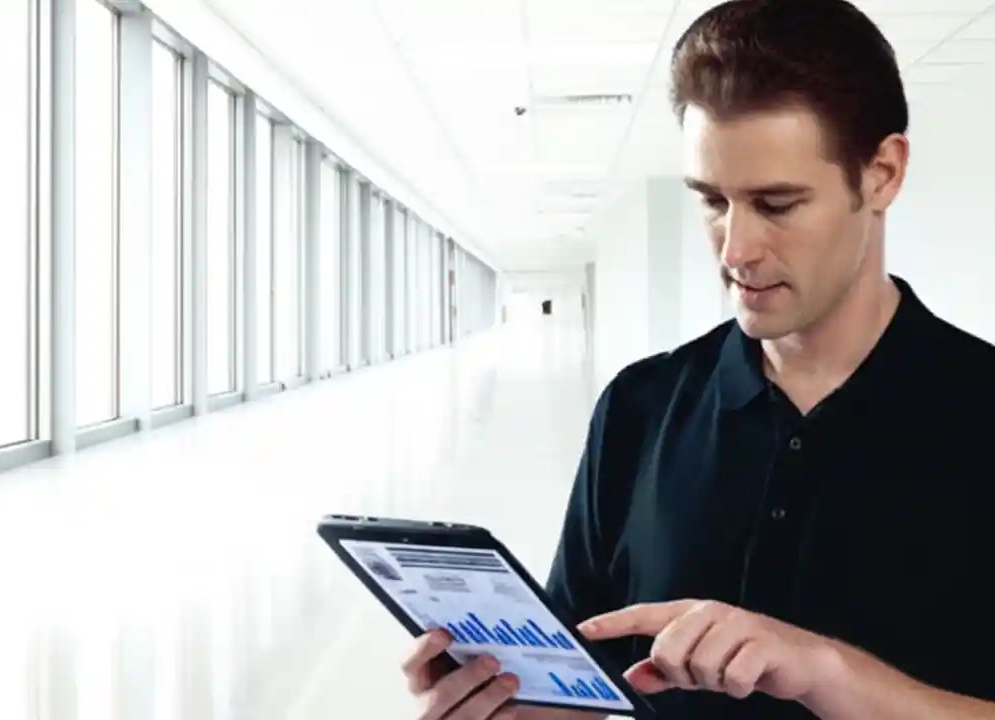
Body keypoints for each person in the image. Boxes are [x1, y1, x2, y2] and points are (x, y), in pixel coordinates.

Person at [400, 0, 995, 718]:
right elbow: (587, 684)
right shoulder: (638, 409)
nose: (735, 249)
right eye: (712, 201)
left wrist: (829, 674)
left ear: (883, 174)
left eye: (777, 204)